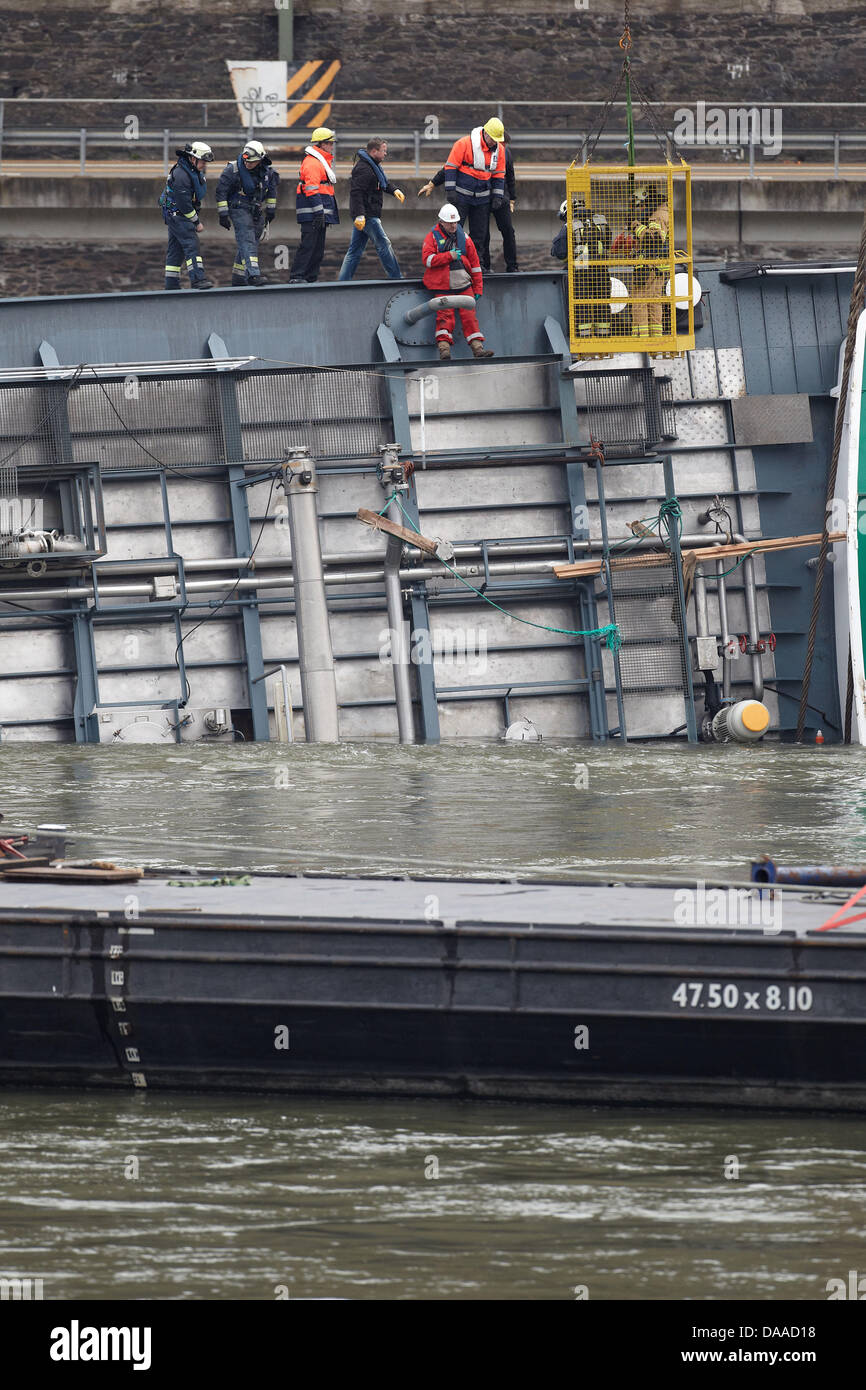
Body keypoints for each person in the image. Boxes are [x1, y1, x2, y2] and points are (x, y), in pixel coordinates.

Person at [418, 117, 506, 259]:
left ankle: (477, 264)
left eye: (497, 140)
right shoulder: (464, 144)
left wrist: (497, 196)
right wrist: (450, 190)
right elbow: (451, 167)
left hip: (482, 198)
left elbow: (499, 174)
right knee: (453, 231)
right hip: (461, 197)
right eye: (493, 139)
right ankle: (450, 260)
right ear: (486, 134)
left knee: (480, 234)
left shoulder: (499, 151)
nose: (494, 142)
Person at [422, 203, 493, 361]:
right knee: (444, 318)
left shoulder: (465, 238)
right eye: (450, 223)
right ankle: (444, 350)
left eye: (455, 222)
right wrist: (449, 256)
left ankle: (478, 349)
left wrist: (478, 288)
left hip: (463, 284)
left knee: (469, 317)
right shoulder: (432, 237)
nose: (454, 225)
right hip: (442, 285)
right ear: (441, 222)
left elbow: (475, 265)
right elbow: (427, 260)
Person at [338, 138, 405, 281]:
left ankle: (343, 281)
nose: (385, 154)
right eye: (384, 151)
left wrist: (394, 190)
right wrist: (360, 215)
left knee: (355, 251)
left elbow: (382, 183)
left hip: (366, 214)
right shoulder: (364, 169)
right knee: (383, 244)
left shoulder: (372, 166)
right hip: (368, 215)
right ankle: (396, 278)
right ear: (374, 151)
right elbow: (356, 193)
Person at [215, 140, 279, 286]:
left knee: (251, 242)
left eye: (252, 162)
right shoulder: (233, 169)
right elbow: (221, 192)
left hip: (256, 209)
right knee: (247, 239)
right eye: (247, 161)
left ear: (260, 159)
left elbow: (272, 190)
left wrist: (271, 210)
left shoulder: (268, 172)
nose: (248, 164)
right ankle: (253, 275)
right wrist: (223, 214)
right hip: (238, 207)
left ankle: (238, 277)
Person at [159, 141, 214, 290]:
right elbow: (184, 205)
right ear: (192, 158)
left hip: (175, 214)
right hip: (178, 214)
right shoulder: (182, 175)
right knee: (191, 245)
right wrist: (196, 222)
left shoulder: (190, 170)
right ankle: (198, 280)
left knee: (175, 250)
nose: (204, 165)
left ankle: (171, 285)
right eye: (202, 161)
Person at [290, 127, 339, 284]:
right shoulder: (313, 163)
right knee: (308, 246)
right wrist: (319, 213)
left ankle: (310, 278)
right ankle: (297, 276)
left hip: (317, 212)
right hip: (313, 213)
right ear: (322, 144)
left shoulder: (320, 162)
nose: (332, 146)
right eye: (330, 143)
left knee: (317, 249)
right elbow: (311, 190)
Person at [630, 184, 670, 339]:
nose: (641, 209)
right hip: (658, 267)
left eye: (642, 205)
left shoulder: (656, 216)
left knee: (639, 301)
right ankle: (655, 336)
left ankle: (641, 337)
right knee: (654, 302)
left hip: (648, 267)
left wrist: (636, 227)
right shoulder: (664, 213)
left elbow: (653, 239)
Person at [481, 130, 518, 273]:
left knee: (508, 231)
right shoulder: (481, 152)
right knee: (483, 233)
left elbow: (510, 176)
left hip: (501, 197)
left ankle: (512, 266)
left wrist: (512, 198)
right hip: (483, 196)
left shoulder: (506, 154)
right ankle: (485, 266)